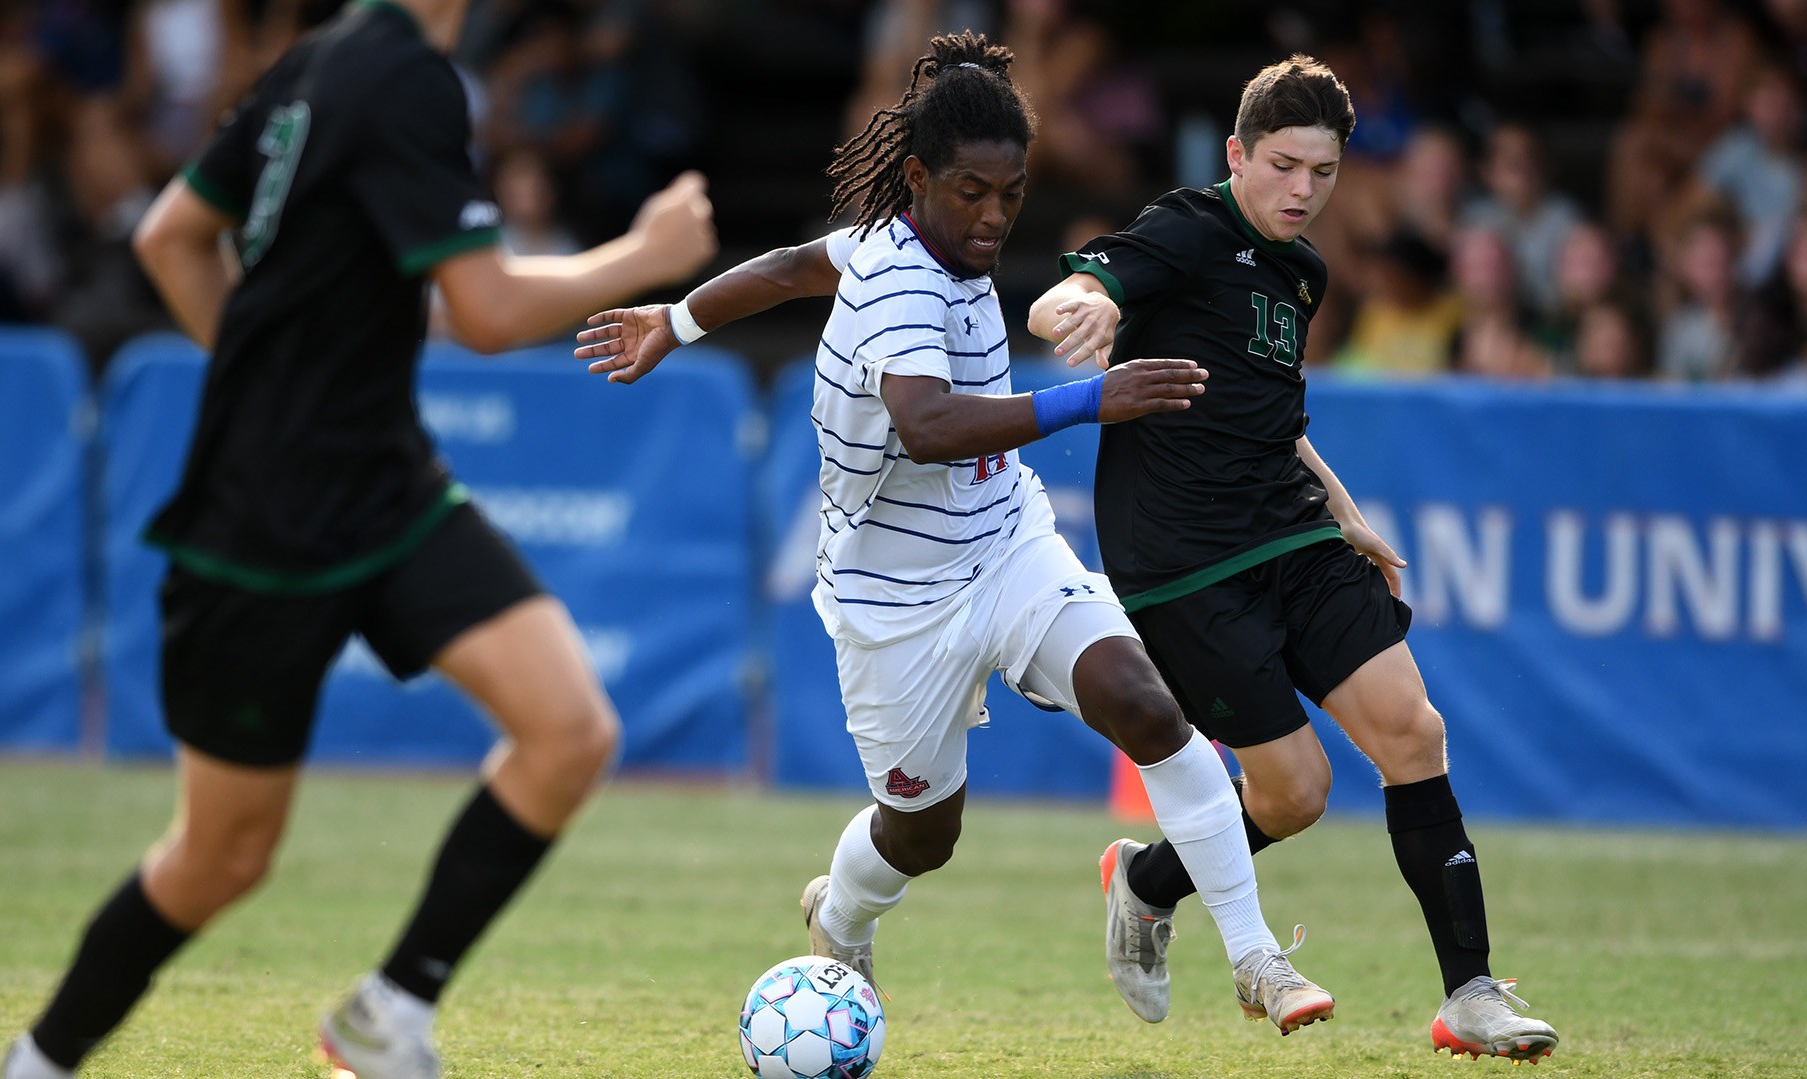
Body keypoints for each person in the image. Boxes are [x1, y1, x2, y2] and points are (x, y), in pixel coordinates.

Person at [0, 0, 715, 1076]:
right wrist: (644, 255)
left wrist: (276, 375)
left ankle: (389, 1011)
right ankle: (36, 1061)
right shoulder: (401, 78)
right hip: (262, 519)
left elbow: (173, 239)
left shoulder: (310, 66)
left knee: (570, 727)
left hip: (383, 482)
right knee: (221, 858)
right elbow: (489, 309)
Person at [576, 30, 1336, 1038]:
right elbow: (929, 426)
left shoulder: (889, 242)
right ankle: (839, 915)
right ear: (917, 177)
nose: (993, 217)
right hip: (893, 603)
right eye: (971, 192)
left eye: (1011, 192)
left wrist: (676, 322)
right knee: (923, 832)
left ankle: (1257, 960)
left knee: (1146, 703)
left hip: (1003, 542)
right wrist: (1089, 400)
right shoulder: (898, 284)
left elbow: (799, 263)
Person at [1024, 55, 1560, 1063]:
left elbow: (1276, 412)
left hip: (1294, 532)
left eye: (1323, 171)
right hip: (1183, 563)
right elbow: (1072, 291)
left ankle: (1472, 994)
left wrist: (1346, 512)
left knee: (1415, 728)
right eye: (1282, 165)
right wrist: (1081, 311)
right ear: (1237, 155)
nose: (1303, 190)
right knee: (1294, 794)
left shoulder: (1303, 270)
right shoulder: (1186, 228)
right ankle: (1147, 882)